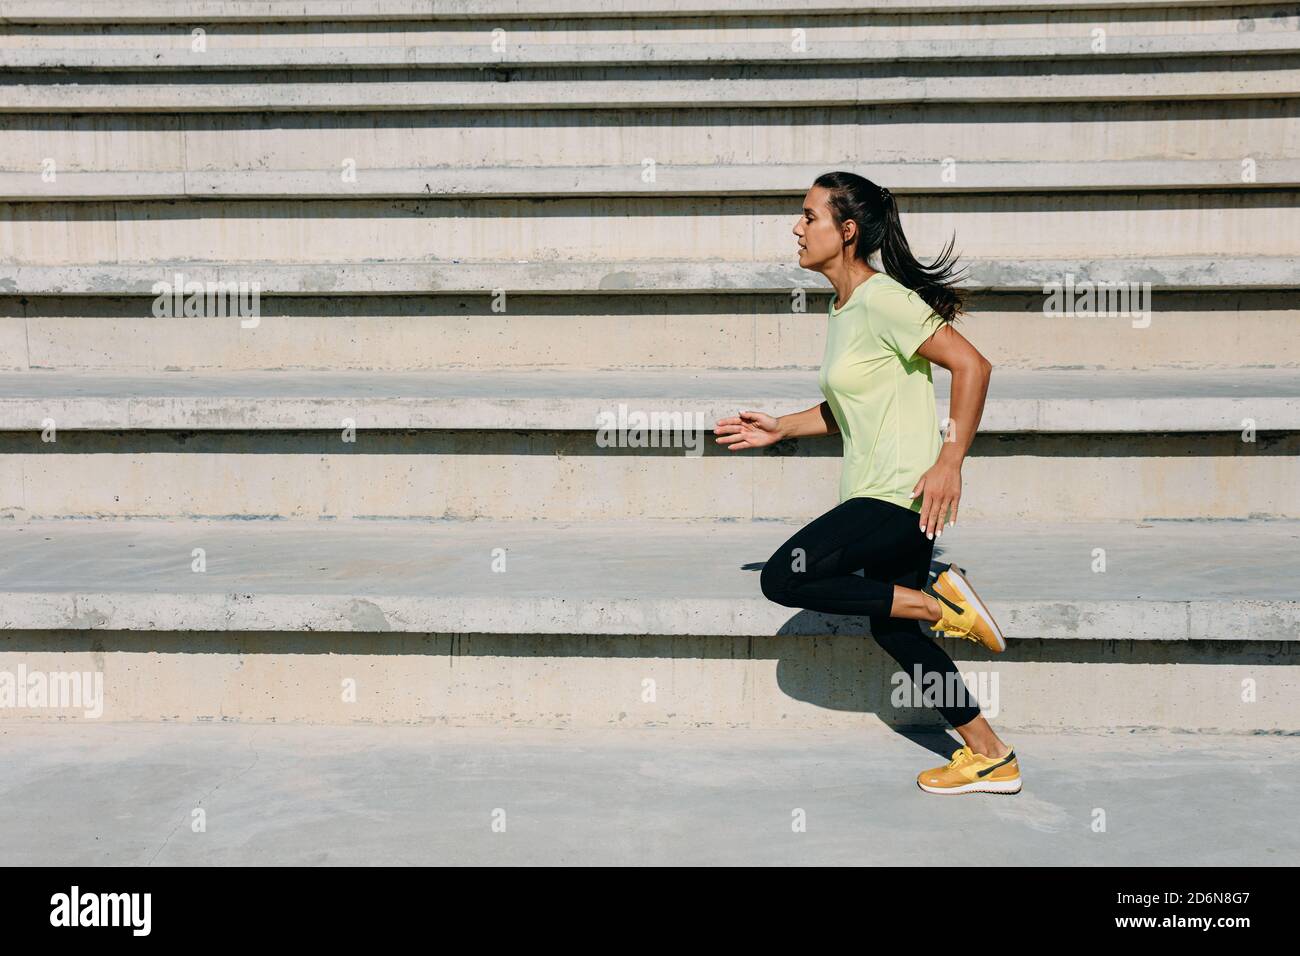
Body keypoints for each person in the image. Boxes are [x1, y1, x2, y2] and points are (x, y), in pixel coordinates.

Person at [714, 171, 1021, 795]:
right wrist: (783, 428)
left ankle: (944, 604)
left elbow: (973, 366)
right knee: (892, 627)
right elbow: (848, 407)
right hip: (883, 495)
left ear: (846, 231)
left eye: (809, 217)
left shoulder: (885, 300)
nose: (796, 229)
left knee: (785, 577)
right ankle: (991, 754)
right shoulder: (845, 307)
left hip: (900, 495)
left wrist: (950, 458)